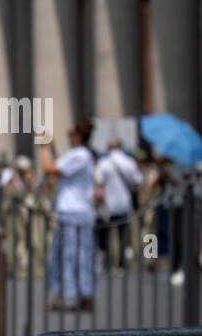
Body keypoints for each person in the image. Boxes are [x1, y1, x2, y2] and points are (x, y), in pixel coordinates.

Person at [39, 119, 97, 311]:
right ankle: (77, 293)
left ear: (78, 136)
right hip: (76, 211)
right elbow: (60, 166)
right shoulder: (81, 155)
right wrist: (53, 147)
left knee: (68, 256)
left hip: (73, 212)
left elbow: (50, 168)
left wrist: (43, 148)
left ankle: (70, 294)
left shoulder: (80, 154)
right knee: (73, 255)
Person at [94, 137, 142, 275]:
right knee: (123, 235)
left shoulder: (104, 163)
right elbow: (138, 181)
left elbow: (98, 182)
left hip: (107, 204)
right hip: (124, 203)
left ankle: (106, 263)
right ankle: (121, 265)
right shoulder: (129, 162)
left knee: (105, 235)